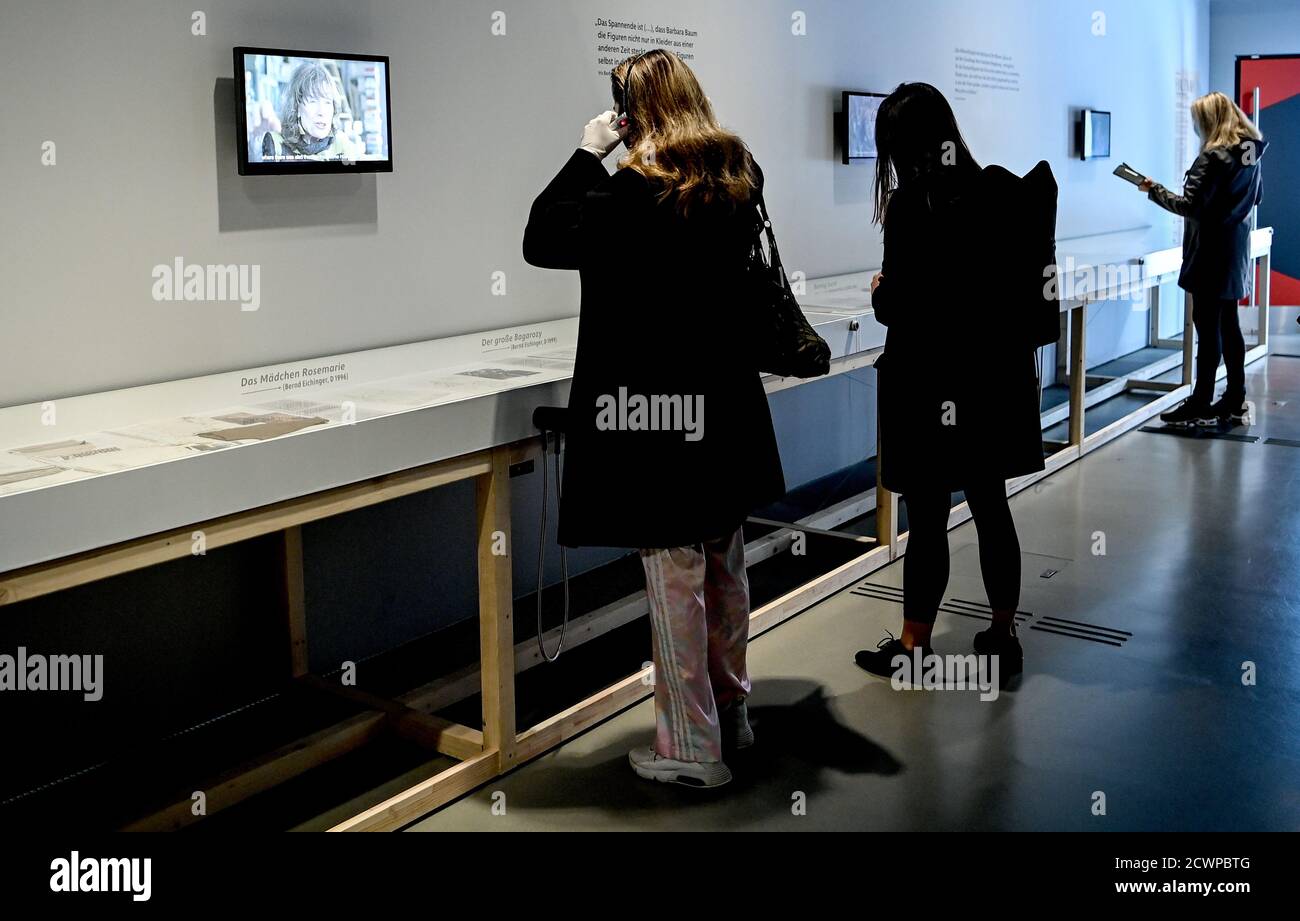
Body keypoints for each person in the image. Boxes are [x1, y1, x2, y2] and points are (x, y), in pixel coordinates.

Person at [522, 49, 785, 788]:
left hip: (655, 422)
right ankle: (733, 712)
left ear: (631, 112)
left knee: (675, 583)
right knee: (726, 568)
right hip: (723, 410)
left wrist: (587, 151)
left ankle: (692, 750)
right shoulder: (739, 175)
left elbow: (540, 236)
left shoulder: (629, 195)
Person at [853, 83, 1057, 683]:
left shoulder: (912, 206)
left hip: (927, 384)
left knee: (929, 517)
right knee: (991, 507)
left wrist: (879, 292)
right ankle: (1002, 634)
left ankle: (915, 650)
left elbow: (902, 304)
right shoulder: (1002, 191)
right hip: (992, 382)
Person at [1141, 91, 1267, 427]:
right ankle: (1234, 397)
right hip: (1235, 251)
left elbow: (1189, 206)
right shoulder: (1251, 153)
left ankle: (1200, 401)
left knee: (1208, 331)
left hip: (1208, 252)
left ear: (1209, 121)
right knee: (1230, 326)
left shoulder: (1211, 157)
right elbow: (1257, 197)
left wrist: (1153, 190)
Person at [260, 61, 358, 162]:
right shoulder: (275, 144)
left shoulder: (342, 145)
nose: (322, 112)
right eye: (313, 101)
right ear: (296, 107)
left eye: (327, 102)